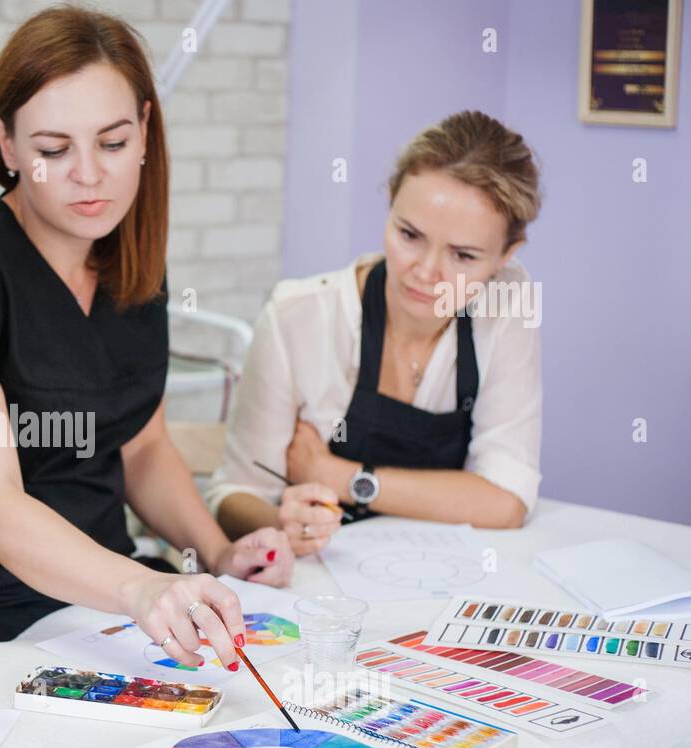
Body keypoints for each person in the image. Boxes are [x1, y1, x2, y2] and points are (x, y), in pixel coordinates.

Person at [0, 6, 294, 663]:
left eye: (113, 143)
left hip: (98, 608)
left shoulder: (128, 260)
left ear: (146, 130)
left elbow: (143, 446)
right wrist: (142, 588)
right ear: (6, 145)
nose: (89, 174)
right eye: (52, 150)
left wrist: (217, 551)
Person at [210, 110, 543, 552]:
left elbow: (506, 502)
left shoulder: (506, 302)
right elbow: (234, 496)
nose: (425, 272)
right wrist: (282, 524)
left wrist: (344, 478)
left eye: (462, 256)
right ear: (389, 202)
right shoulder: (298, 317)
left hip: (441, 578)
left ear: (506, 255)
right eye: (409, 235)